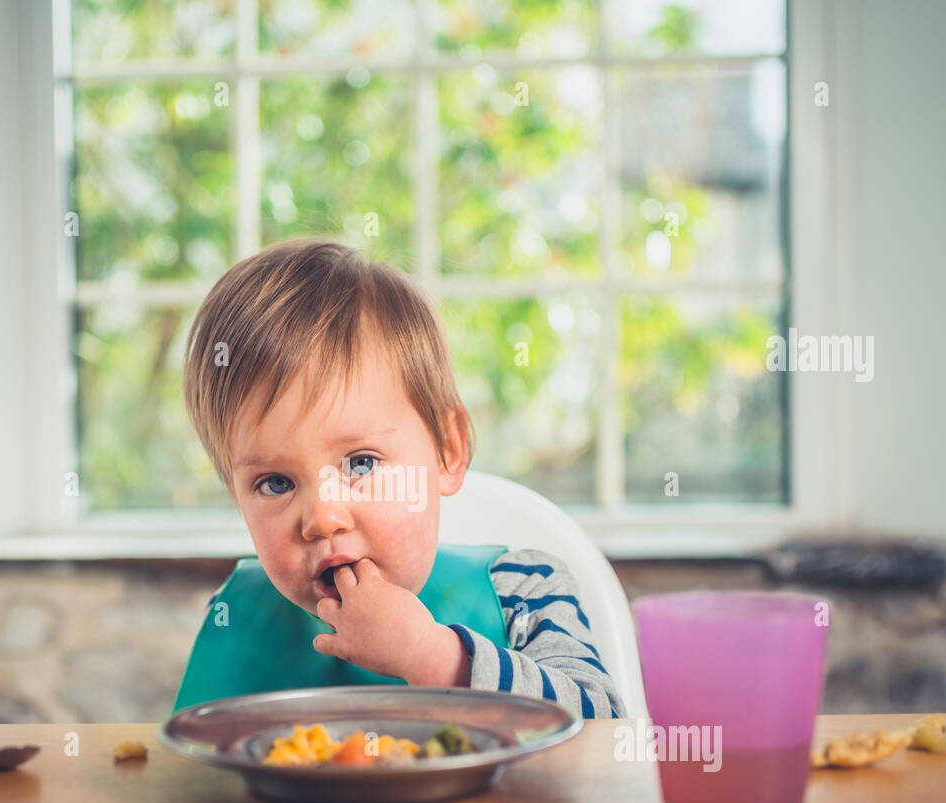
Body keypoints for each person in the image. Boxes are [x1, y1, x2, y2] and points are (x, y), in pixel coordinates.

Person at [172, 237, 622, 720]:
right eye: (276, 483)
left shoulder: (525, 591)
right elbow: (192, 772)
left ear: (448, 452)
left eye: (361, 464)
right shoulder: (235, 609)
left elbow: (603, 731)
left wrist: (434, 656)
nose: (322, 518)